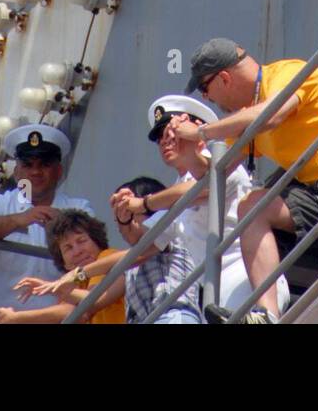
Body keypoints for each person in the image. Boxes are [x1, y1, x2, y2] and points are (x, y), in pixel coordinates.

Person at [169, 40, 318, 323]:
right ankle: (267, 315)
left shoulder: (287, 73)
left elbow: (273, 114)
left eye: (205, 90)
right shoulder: (248, 115)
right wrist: (186, 151)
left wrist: (201, 132)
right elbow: (217, 170)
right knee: (252, 207)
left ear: (224, 78)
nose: (209, 100)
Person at [119, 94, 287, 319]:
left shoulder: (223, 162)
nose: (165, 140)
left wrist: (145, 203)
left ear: (196, 128)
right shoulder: (174, 189)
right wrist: (124, 213)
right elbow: (146, 243)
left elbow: (204, 189)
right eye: (159, 136)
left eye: (171, 131)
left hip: (246, 280)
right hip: (213, 292)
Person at [16, 174, 204, 325]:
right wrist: (56, 287)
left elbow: (131, 257)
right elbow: (91, 305)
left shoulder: (167, 233)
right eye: (119, 220)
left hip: (173, 316)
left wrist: (74, 276)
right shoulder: (128, 268)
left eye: (128, 216)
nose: (124, 227)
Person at [0, 123, 91, 322]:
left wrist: (65, 225)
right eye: (28, 165)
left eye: (44, 164)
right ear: (17, 172)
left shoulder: (78, 209)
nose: (36, 172)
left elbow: (94, 253)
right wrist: (17, 220)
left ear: (59, 171)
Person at [0, 210, 125, 323]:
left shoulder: (107, 256)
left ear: (98, 242)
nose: (77, 251)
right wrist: (15, 318)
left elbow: (90, 302)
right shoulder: (76, 282)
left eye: (81, 241)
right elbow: (68, 311)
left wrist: (53, 288)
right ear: (63, 262)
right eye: (68, 248)